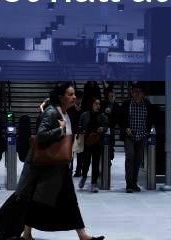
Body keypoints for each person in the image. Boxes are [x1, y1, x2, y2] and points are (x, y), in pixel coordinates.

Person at [11, 82, 105, 240]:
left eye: (74, 94)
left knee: (63, 200)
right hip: (51, 166)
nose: (74, 97)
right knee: (44, 199)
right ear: (60, 97)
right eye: (70, 94)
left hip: (59, 166)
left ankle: (81, 235)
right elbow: (41, 135)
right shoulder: (52, 112)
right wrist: (60, 130)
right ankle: (29, 233)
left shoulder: (64, 112)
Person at [118, 82, 151, 193]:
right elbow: (121, 119)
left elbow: (151, 118)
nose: (137, 93)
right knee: (130, 157)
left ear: (143, 93)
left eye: (139, 91)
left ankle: (134, 182)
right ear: (132, 92)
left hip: (142, 135)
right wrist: (126, 128)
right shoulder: (127, 103)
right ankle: (129, 183)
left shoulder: (147, 103)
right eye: (135, 91)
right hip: (129, 135)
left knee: (138, 159)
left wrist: (147, 130)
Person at [77, 97, 109, 192]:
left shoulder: (103, 116)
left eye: (99, 104)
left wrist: (102, 129)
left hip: (97, 142)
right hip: (87, 142)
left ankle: (93, 183)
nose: (98, 106)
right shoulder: (85, 115)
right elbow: (80, 126)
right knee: (86, 162)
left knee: (95, 163)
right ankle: (84, 177)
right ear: (91, 105)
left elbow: (107, 127)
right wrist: (81, 129)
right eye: (96, 104)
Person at [100, 89, 118, 161]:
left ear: (115, 97)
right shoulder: (104, 104)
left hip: (112, 126)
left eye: (112, 96)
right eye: (109, 96)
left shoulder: (117, 106)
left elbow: (117, 117)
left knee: (111, 142)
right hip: (105, 125)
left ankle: (110, 157)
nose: (110, 98)